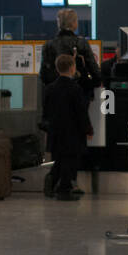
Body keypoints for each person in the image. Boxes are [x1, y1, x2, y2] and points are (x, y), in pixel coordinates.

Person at [39, 7, 100, 196]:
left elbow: (44, 74)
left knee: (60, 142)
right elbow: (94, 71)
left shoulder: (49, 45)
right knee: (75, 143)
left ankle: (60, 180)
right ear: (74, 24)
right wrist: (92, 82)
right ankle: (67, 182)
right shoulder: (80, 43)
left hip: (56, 100)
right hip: (78, 96)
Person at [43, 53, 92, 200]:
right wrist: (88, 129)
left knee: (60, 159)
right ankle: (63, 190)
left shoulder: (50, 88)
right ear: (72, 68)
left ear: (57, 69)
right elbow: (81, 112)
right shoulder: (75, 88)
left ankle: (52, 181)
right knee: (70, 161)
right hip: (72, 132)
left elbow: (46, 111)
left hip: (55, 132)